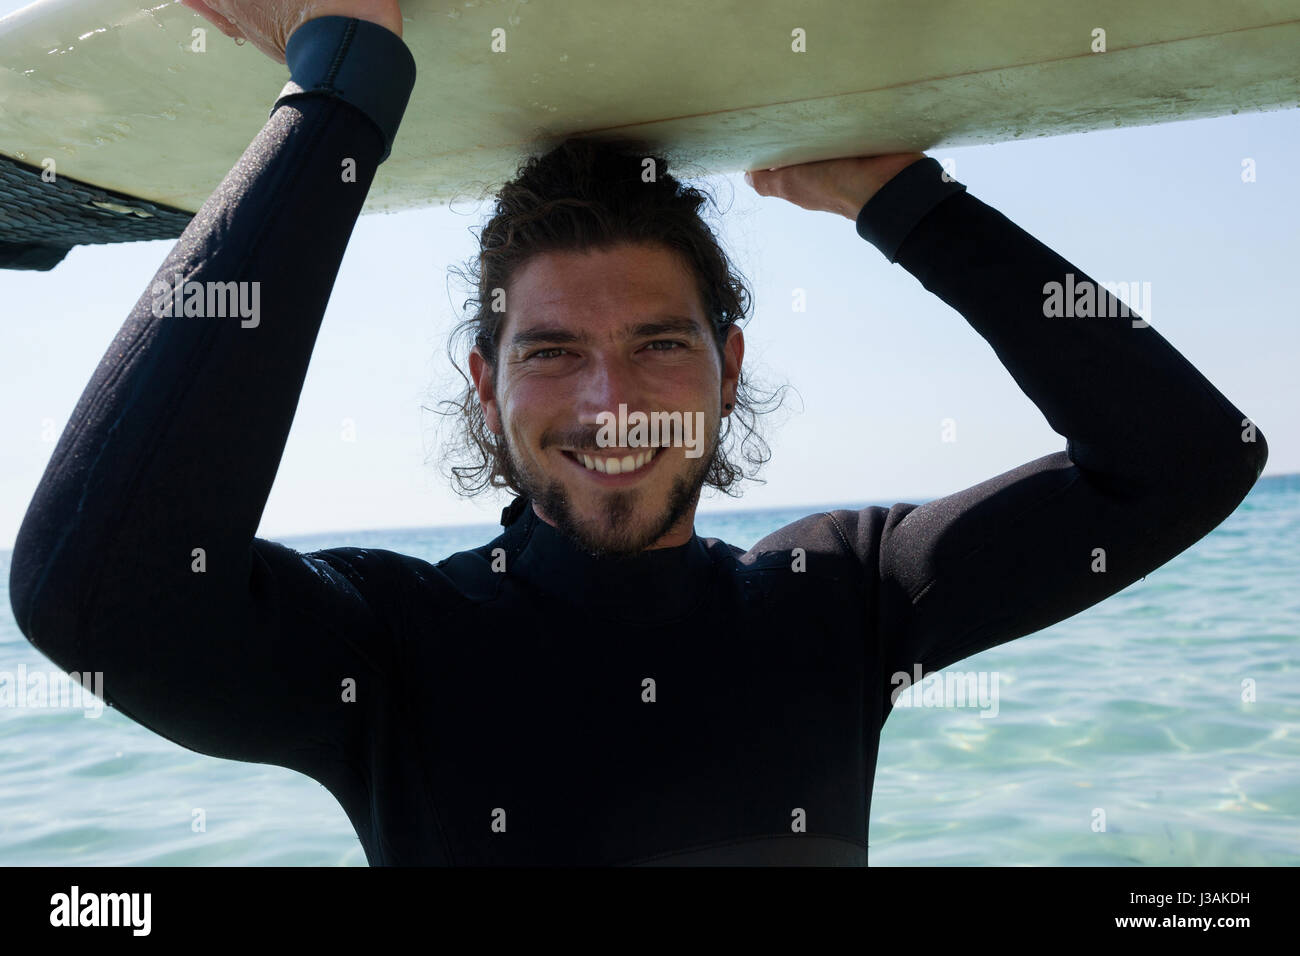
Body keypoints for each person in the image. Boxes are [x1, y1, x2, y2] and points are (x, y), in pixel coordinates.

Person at [8, 0, 1267, 865]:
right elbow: (94, 597)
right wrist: (339, 102)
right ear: (481, 388)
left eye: (658, 342)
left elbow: (1191, 458)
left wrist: (915, 208)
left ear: (726, 366)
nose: (611, 401)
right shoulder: (386, 656)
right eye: (551, 352)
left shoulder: (843, 598)